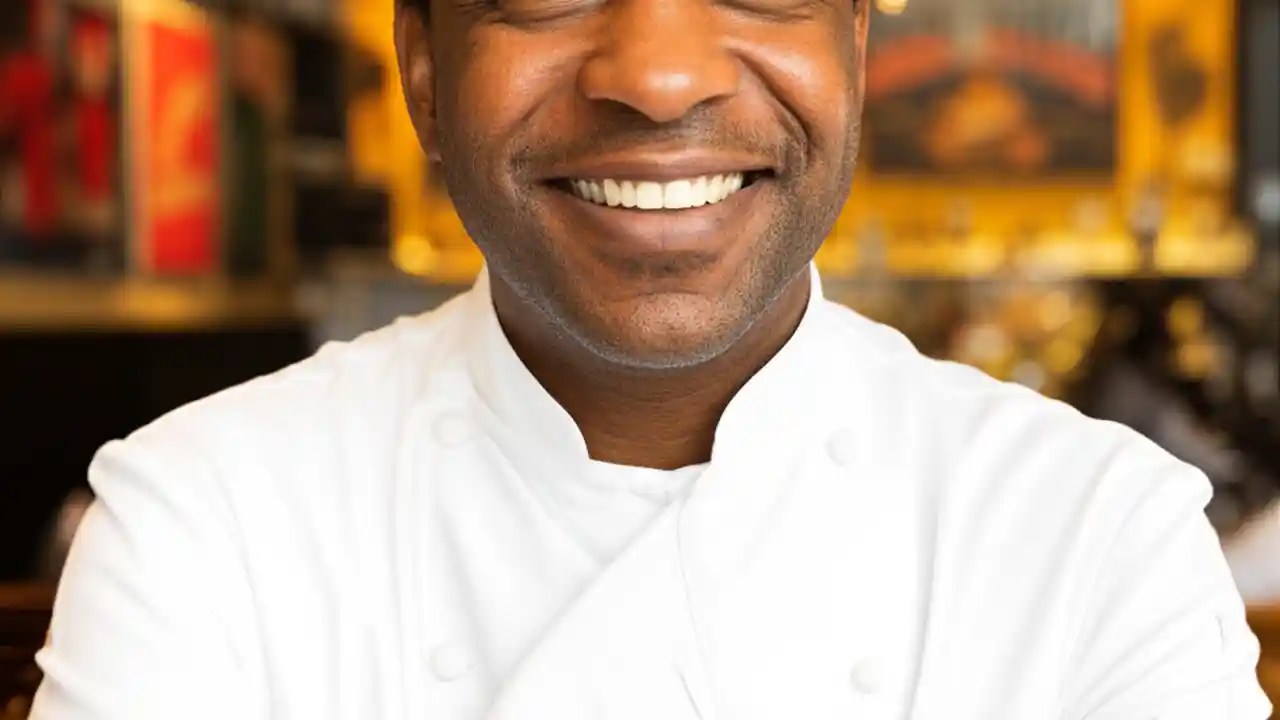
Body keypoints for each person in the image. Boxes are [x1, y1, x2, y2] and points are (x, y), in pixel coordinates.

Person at [31, 0, 1270, 716]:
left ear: (853, 40)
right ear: (421, 67)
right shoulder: (208, 523)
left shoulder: (1095, 535)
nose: (660, 76)